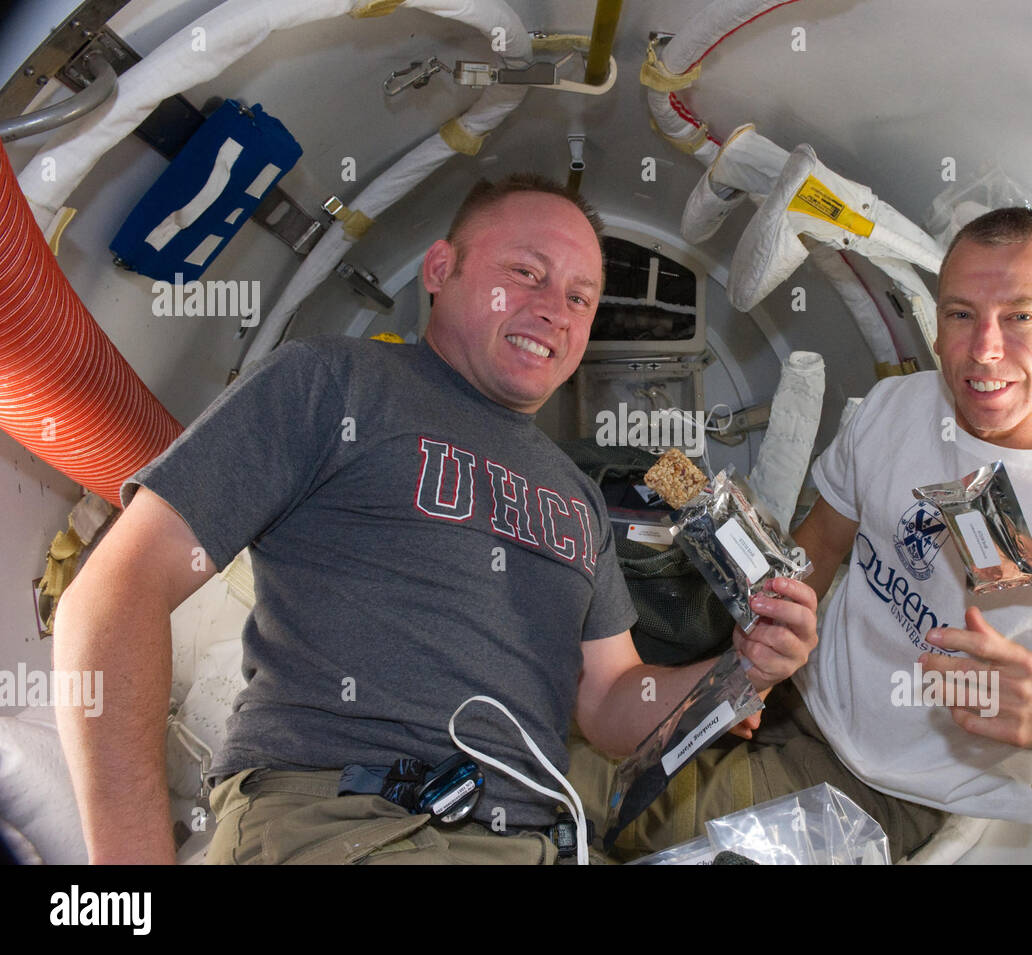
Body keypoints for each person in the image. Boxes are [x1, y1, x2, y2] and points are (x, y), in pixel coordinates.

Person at [52, 174, 819, 865]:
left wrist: (740, 671)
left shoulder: (577, 495)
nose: (555, 309)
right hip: (346, 821)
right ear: (440, 271)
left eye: (582, 297)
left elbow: (614, 703)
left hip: (529, 843)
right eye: (526, 273)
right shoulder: (332, 383)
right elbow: (117, 594)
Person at [585, 207, 1032, 862]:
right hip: (794, 692)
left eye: (1022, 316)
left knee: (586, 801)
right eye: (962, 313)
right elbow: (822, 544)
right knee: (569, 730)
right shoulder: (901, 407)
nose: (985, 347)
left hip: (878, 786)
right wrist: (760, 662)